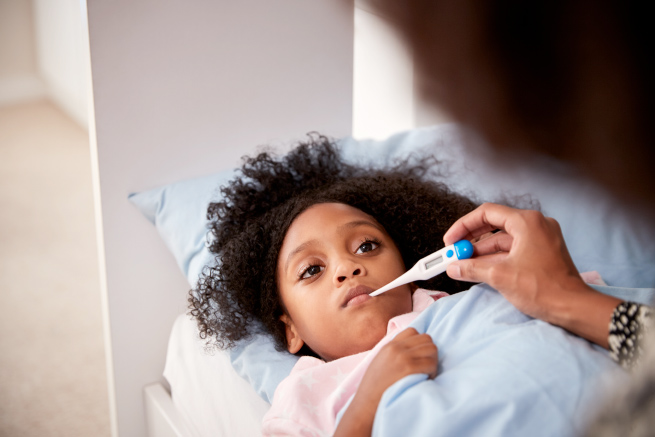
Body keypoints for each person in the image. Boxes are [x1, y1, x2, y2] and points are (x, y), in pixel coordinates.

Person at [190, 137, 627, 436]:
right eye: (311, 270)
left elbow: (597, 316)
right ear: (290, 330)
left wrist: (560, 287)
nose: (347, 266)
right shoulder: (305, 394)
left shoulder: (474, 299)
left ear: (409, 260)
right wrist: (367, 400)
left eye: (366, 245)